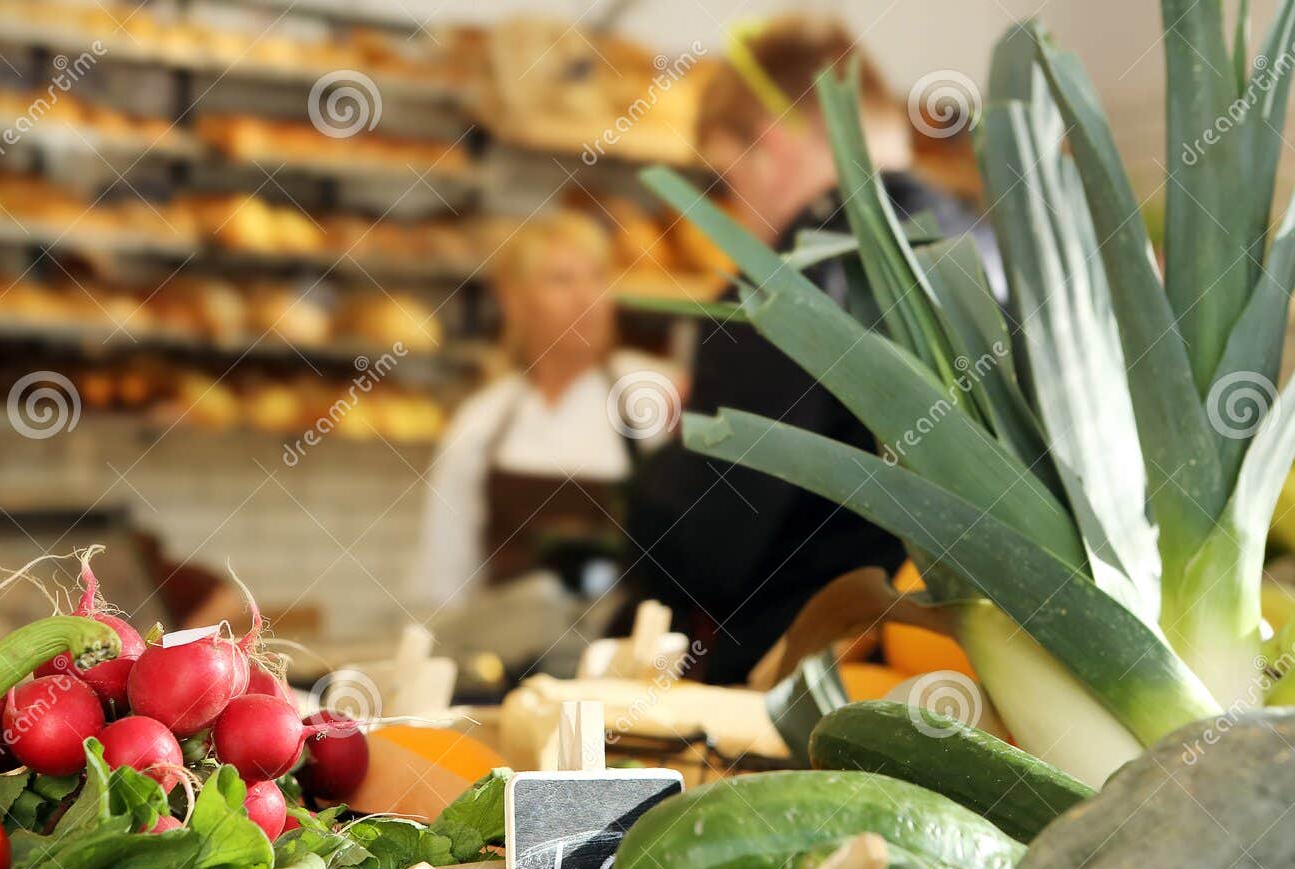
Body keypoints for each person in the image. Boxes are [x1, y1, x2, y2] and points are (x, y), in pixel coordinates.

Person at [626, 14, 991, 685]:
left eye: (727, 183)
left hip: (810, 694)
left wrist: (667, 457)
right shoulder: (989, 248)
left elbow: (709, 552)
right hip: (970, 682)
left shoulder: (786, 283)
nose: (735, 217)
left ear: (770, 144)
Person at [414, 212, 681, 610]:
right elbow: (444, 575)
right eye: (562, 280)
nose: (585, 297)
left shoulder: (659, 398)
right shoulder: (483, 421)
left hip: (624, 661)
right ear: (514, 300)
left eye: (596, 278)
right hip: (505, 659)